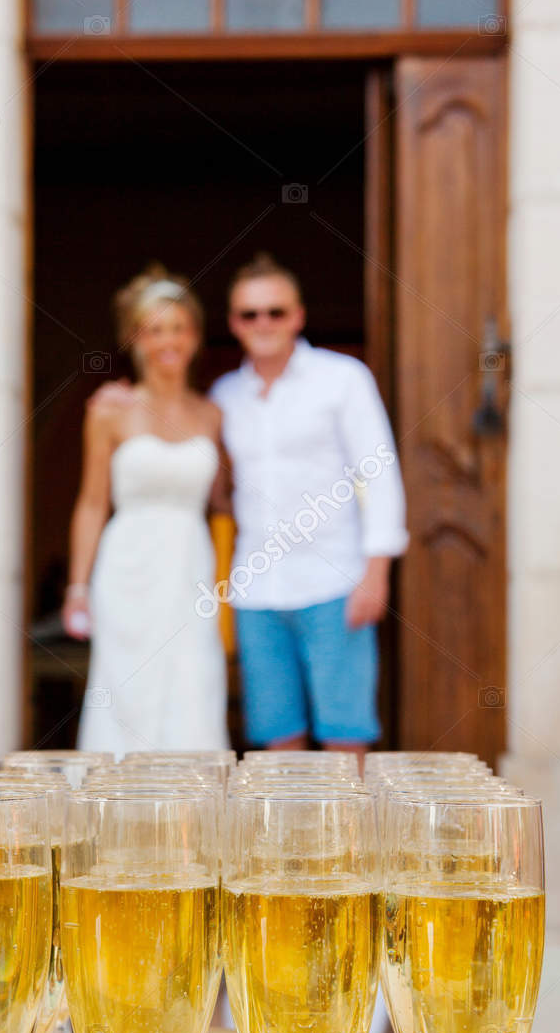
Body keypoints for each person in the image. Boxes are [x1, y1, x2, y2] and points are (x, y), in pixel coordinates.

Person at [208, 253, 408, 755]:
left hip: (334, 581)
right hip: (257, 590)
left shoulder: (343, 379)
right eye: (250, 314)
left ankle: (347, 839)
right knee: (278, 742)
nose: (264, 323)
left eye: (276, 311)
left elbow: (377, 472)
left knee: (346, 736)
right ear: (234, 322)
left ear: (298, 315)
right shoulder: (224, 395)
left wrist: (377, 570)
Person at [63, 265, 229, 754]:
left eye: (178, 328)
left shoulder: (211, 413)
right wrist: (77, 587)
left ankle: (192, 818)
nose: (168, 341)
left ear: (195, 336)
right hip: (129, 566)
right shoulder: (109, 410)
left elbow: (223, 502)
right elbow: (92, 503)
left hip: (191, 565)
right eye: (155, 330)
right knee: (126, 684)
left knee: (194, 676)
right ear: (136, 338)